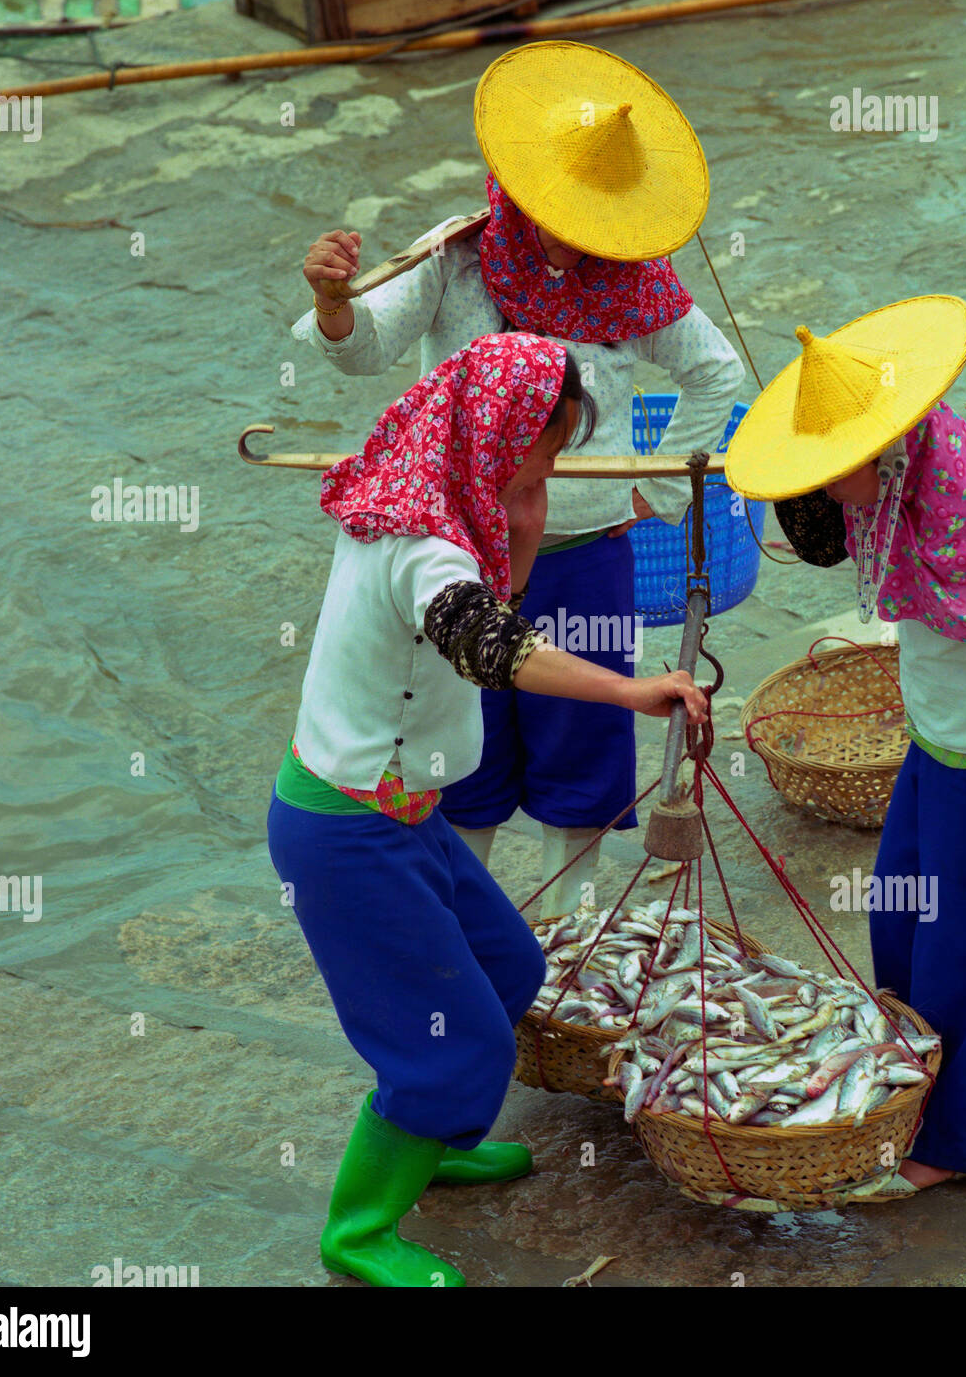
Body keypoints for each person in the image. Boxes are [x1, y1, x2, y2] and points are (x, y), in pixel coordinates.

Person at [267, 331, 707, 1287]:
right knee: (453, 1042)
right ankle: (358, 1229)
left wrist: (523, 509)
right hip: (345, 832)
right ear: (494, 436)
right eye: (541, 453)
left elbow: (499, 591)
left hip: (402, 817)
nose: (545, 474)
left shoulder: (417, 492)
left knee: (510, 965)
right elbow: (493, 645)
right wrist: (635, 692)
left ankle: (440, 1137)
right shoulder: (422, 545)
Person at [293, 39, 743, 918]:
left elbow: (718, 374)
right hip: (461, 545)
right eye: (561, 218)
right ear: (523, 191)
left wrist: (660, 491)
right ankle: (471, 912)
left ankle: (570, 925)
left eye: (598, 226)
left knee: (584, 748)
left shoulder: (635, 283)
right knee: (464, 744)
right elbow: (366, 349)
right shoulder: (455, 259)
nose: (577, 246)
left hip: (585, 546)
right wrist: (332, 302)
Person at [725, 296, 966, 1197]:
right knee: (902, 922)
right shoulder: (891, 488)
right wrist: (787, 469)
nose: (827, 488)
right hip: (933, 756)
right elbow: (814, 538)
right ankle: (913, 1099)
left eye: (831, 469)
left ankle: (964, 1143)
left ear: (882, 453)